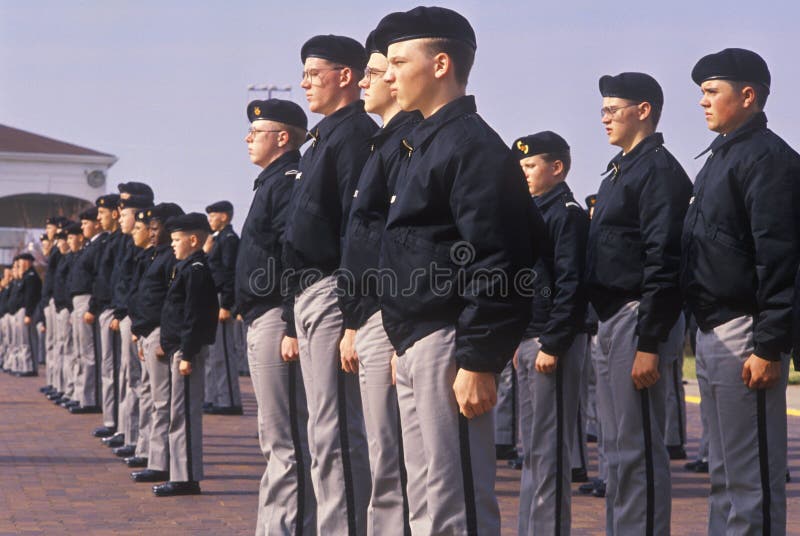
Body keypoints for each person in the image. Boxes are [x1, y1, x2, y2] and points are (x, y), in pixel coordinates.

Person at [373, 7, 535, 533]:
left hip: (449, 342)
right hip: (416, 338)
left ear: (441, 64)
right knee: (426, 500)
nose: (389, 73)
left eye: (399, 61)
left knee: (455, 502)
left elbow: (500, 257)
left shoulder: (471, 146)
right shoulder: (425, 144)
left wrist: (479, 358)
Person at [682, 48, 800, 534]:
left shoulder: (769, 160)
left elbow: (780, 258)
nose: (703, 102)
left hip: (744, 330)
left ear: (747, 96)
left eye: (712, 92)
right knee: (725, 477)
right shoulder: (722, 157)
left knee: (752, 479)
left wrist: (769, 344)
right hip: (713, 329)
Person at [586, 72, 692, 535]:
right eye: (604, 109)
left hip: (635, 318)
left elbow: (662, 260)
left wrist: (650, 340)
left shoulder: (658, 172)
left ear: (643, 111)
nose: (604, 117)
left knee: (639, 448)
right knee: (616, 448)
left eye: (613, 109)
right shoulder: (619, 170)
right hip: (610, 319)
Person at [282, 33, 376, 535]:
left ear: (346, 76)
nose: (304, 84)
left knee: (336, 430)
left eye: (313, 74)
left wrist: (353, 313)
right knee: (323, 431)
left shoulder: (355, 135)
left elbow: (357, 229)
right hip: (310, 292)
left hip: (334, 289)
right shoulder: (325, 136)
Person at [337, 30, 420, 534]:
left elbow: (402, 248)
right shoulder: (381, 146)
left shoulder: (406, 148)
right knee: (382, 452)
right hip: (369, 314)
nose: (369, 81)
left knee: (394, 458)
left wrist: (385, 323)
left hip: (390, 317)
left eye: (376, 72)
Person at [237, 98, 316, 535]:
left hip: (275, 316)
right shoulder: (270, 183)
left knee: (287, 439)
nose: (248, 139)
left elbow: (293, 255)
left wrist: (288, 322)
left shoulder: (286, 182)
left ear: (282, 138)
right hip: (261, 315)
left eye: (257, 132)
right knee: (274, 437)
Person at [512, 131, 589, 535]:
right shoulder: (535, 212)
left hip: (551, 343)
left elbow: (570, 283)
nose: (521, 173)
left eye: (529, 165)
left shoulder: (567, 214)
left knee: (548, 450)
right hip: (531, 338)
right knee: (533, 450)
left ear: (556, 168)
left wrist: (553, 341)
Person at [152, 213, 219, 497]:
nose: (173, 245)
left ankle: (186, 477)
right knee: (177, 412)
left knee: (185, 414)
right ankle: (180, 473)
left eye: (177, 240)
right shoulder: (186, 267)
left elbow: (193, 315)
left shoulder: (195, 270)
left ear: (193, 240)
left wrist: (187, 354)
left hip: (186, 351)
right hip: (177, 348)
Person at [130, 202, 184, 484]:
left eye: (155, 227)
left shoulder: (170, 259)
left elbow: (170, 302)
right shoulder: (154, 257)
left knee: (163, 402)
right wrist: (139, 331)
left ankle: (161, 462)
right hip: (148, 332)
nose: (151, 233)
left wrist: (165, 337)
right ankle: (153, 455)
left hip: (160, 334)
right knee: (150, 396)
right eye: (148, 228)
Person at [109, 193, 154, 460]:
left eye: (125, 212)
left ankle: (137, 438)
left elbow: (135, 287)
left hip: (134, 317)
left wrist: (125, 312)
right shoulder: (127, 244)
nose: (120, 217)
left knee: (138, 380)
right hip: (128, 314)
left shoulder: (141, 249)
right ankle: (131, 435)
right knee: (130, 377)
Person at [204, 200, 243, 415]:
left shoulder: (228, 239)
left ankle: (229, 401)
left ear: (225, 217)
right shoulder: (215, 240)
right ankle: (215, 397)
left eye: (213, 215)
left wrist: (227, 304)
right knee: (213, 353)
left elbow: (228, 273)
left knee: (224, 354)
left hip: (221, 300)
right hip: (212, 298)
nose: (210, 219)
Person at [93, 194, 126, 447]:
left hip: (115, 310)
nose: (98, 219)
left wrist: (116, 310)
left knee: (119, 370)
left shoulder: (121, 242)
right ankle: (112, 421)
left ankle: (118, 423)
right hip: (107, 307)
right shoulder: (110, 240)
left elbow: (121, 281)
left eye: (102, 213)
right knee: (110, 368)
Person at [68, 206, 105, 416]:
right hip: (78, 300)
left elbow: (99, 277)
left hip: (87, 299)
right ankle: (83, 396)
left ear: (96, 223)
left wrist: (92, 307)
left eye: (85, 223)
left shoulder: (99, 245)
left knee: (89, 352)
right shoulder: (90, 246)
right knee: (81, 352)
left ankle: (90, 399)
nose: (83, 228)